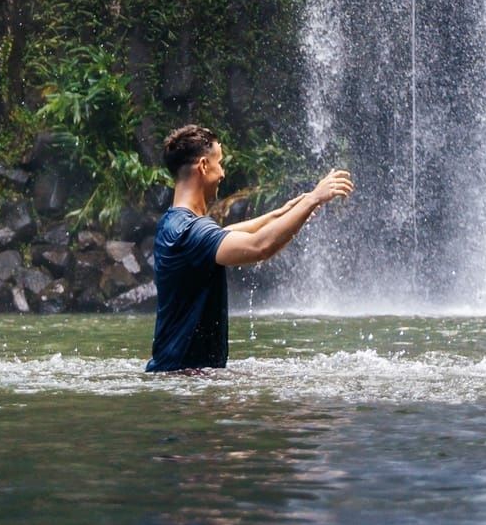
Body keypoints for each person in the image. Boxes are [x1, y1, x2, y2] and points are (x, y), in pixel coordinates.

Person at [146, 122, 353, 372]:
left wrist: (283, 213)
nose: (222, 173)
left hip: (178, 376)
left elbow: (226, 234)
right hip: (186, 380)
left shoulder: (172, 224)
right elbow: (259, 246)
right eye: (219, 163)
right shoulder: (190, 232)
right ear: (203, 165)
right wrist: (313, 198)